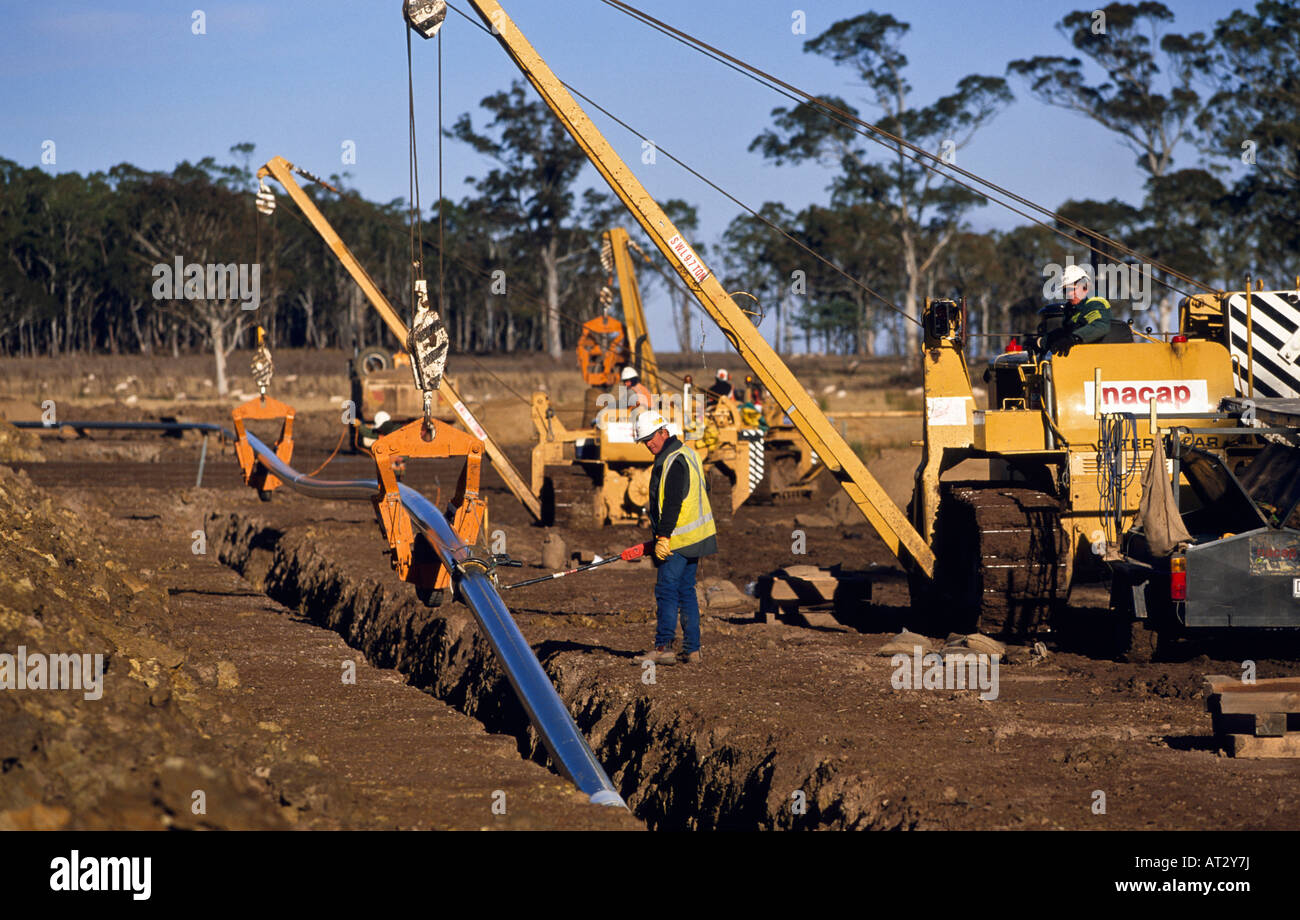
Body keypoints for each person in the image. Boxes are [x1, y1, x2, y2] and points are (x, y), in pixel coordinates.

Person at [633, 410, 717, 666]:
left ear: (663, 432)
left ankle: (664, 648)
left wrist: (663, 537)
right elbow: (704, 489)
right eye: (645, 441)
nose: (649, 444)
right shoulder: (689, 454)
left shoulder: (671, 461)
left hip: (677, 540)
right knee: (686, 590)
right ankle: (693, 650)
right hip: (696, 538)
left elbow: (672, 503)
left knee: (667, 590)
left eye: (651, 438)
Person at [1041, 264, 1112, 357]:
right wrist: (1040, 342)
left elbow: (1100, 326)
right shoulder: (1072, 309)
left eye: (1072, 289)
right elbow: (1065, 332)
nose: (1069, 294)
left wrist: (1074, 339)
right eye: (1065, 290)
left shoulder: (1096, 303)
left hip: (1101, 358)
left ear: (1086, 286)